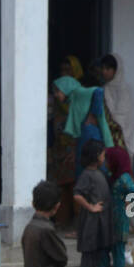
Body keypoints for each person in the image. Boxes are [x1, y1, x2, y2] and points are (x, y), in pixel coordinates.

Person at [74, 138, 112, 267]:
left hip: (100, 221)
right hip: (91, 222)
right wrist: (91, 207)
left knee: (98, 250)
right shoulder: (87, 175)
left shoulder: (100, 173)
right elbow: (77, 195)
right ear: (96, 156)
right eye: (102, 154)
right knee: (89, 252)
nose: (104, 157)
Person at [104, 146, 134, 267]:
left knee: (118, 248)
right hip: (112, 218)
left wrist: (130, 211)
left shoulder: (124, 179)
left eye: (108, 160)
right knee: (111, 246)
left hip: (120, 219)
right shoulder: (114, 176)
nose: (106, 163)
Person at [61, 78, 114, 177]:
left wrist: (93, 113)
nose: (56, 94)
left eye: (57, 91)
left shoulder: (89, 126)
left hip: (92, 179)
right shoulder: (79, 115)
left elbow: (98, 91)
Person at [48, 78, 79, 229]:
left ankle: (76, 224)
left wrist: (75, 151)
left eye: (58, 91)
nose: (55, 95)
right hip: (59, 154)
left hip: (74, 154)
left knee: (75, 188)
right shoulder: (58, 109)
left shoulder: (79, 107)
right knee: (61, 188)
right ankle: (62, 220)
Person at [99, 53, 134, 160]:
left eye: (108, 68)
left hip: (123, 138)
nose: (104, 72)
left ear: (116, 70)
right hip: (107, 138)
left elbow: (122, 116)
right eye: (102, 68)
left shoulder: (124, 90)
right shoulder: (104, 89)